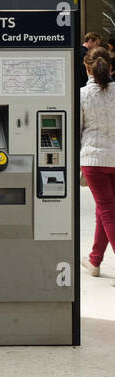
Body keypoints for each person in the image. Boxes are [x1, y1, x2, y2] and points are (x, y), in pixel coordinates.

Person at [80, 46, 115, 279]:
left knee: (107, 210)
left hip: (92, 159)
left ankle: (95, 262)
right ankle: (94, 261)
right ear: (110, 67)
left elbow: (77, 128)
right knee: (105, 210)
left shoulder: (82, 95)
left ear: (87, 67)